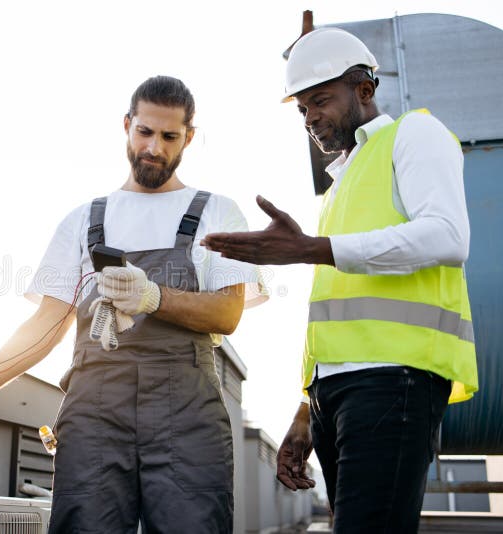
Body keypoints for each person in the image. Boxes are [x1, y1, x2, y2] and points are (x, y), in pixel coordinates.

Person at [0, 75, 265, 534]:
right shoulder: (85, 219)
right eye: (145, 132)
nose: (154, 148)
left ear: (189, 137)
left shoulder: (217, 212)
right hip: (94, 408)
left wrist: (153, 296)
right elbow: (48, 322)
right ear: (127, 125)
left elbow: (227, 313)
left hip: (186, 410)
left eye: (170, 137)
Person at [202, 28, 479, 532]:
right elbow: (341, 309)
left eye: (320, 101)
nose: (309, 118)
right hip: (340, 393)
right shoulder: (342, 182)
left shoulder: (415, 135)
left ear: (364, 90)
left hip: (396, 377)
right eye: (302, 108)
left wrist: (312, 248)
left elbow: (447, 236)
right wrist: (307, 410)